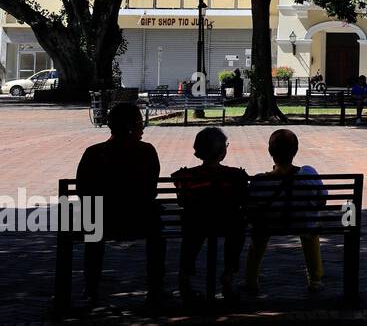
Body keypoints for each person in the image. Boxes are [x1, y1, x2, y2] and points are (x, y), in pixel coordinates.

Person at [76, 103, 168, 304]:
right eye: (140, 123)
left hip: (102, 220)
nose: (143, 128)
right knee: (156, 229)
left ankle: (91, 288)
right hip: (139, 219)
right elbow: (150, 190)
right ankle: (156, 287)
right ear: (131, 126)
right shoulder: (146, 151)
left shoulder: (93, 153)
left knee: (93, 227)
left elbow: (83, 191)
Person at [244, 129, 326, 296]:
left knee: (258, 236)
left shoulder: (259, 180)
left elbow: (250, 207)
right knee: (311, 232)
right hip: (302, 222)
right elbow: (321, 200)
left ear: (270, 152)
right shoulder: (309, 173)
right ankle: (315, 280)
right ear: (295, 151)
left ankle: (251, 280)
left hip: (269, 224)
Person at [171, 127, 249, 302]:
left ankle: (184, 277)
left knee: (191, 232)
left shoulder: (186, 176)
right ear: (223, 151)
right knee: (238, 227)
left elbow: (182, 201)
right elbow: (243, 201)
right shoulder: (236, 175)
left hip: (196, 224)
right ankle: (228, 274)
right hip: (228, 223)